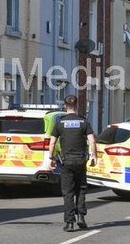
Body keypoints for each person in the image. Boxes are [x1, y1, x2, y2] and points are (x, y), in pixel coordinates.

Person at [49, 95, 97, 232]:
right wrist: (94, 156)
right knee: (81, 189)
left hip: (66, 161)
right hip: (80, 161)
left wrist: (50, 158)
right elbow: (92, 141)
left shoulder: (60, 123)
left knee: (68, 192)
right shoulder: (84, 122)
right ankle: (81, 216)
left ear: (65, 106)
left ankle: (70, 222)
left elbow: (52, 142)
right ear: (76, 106)